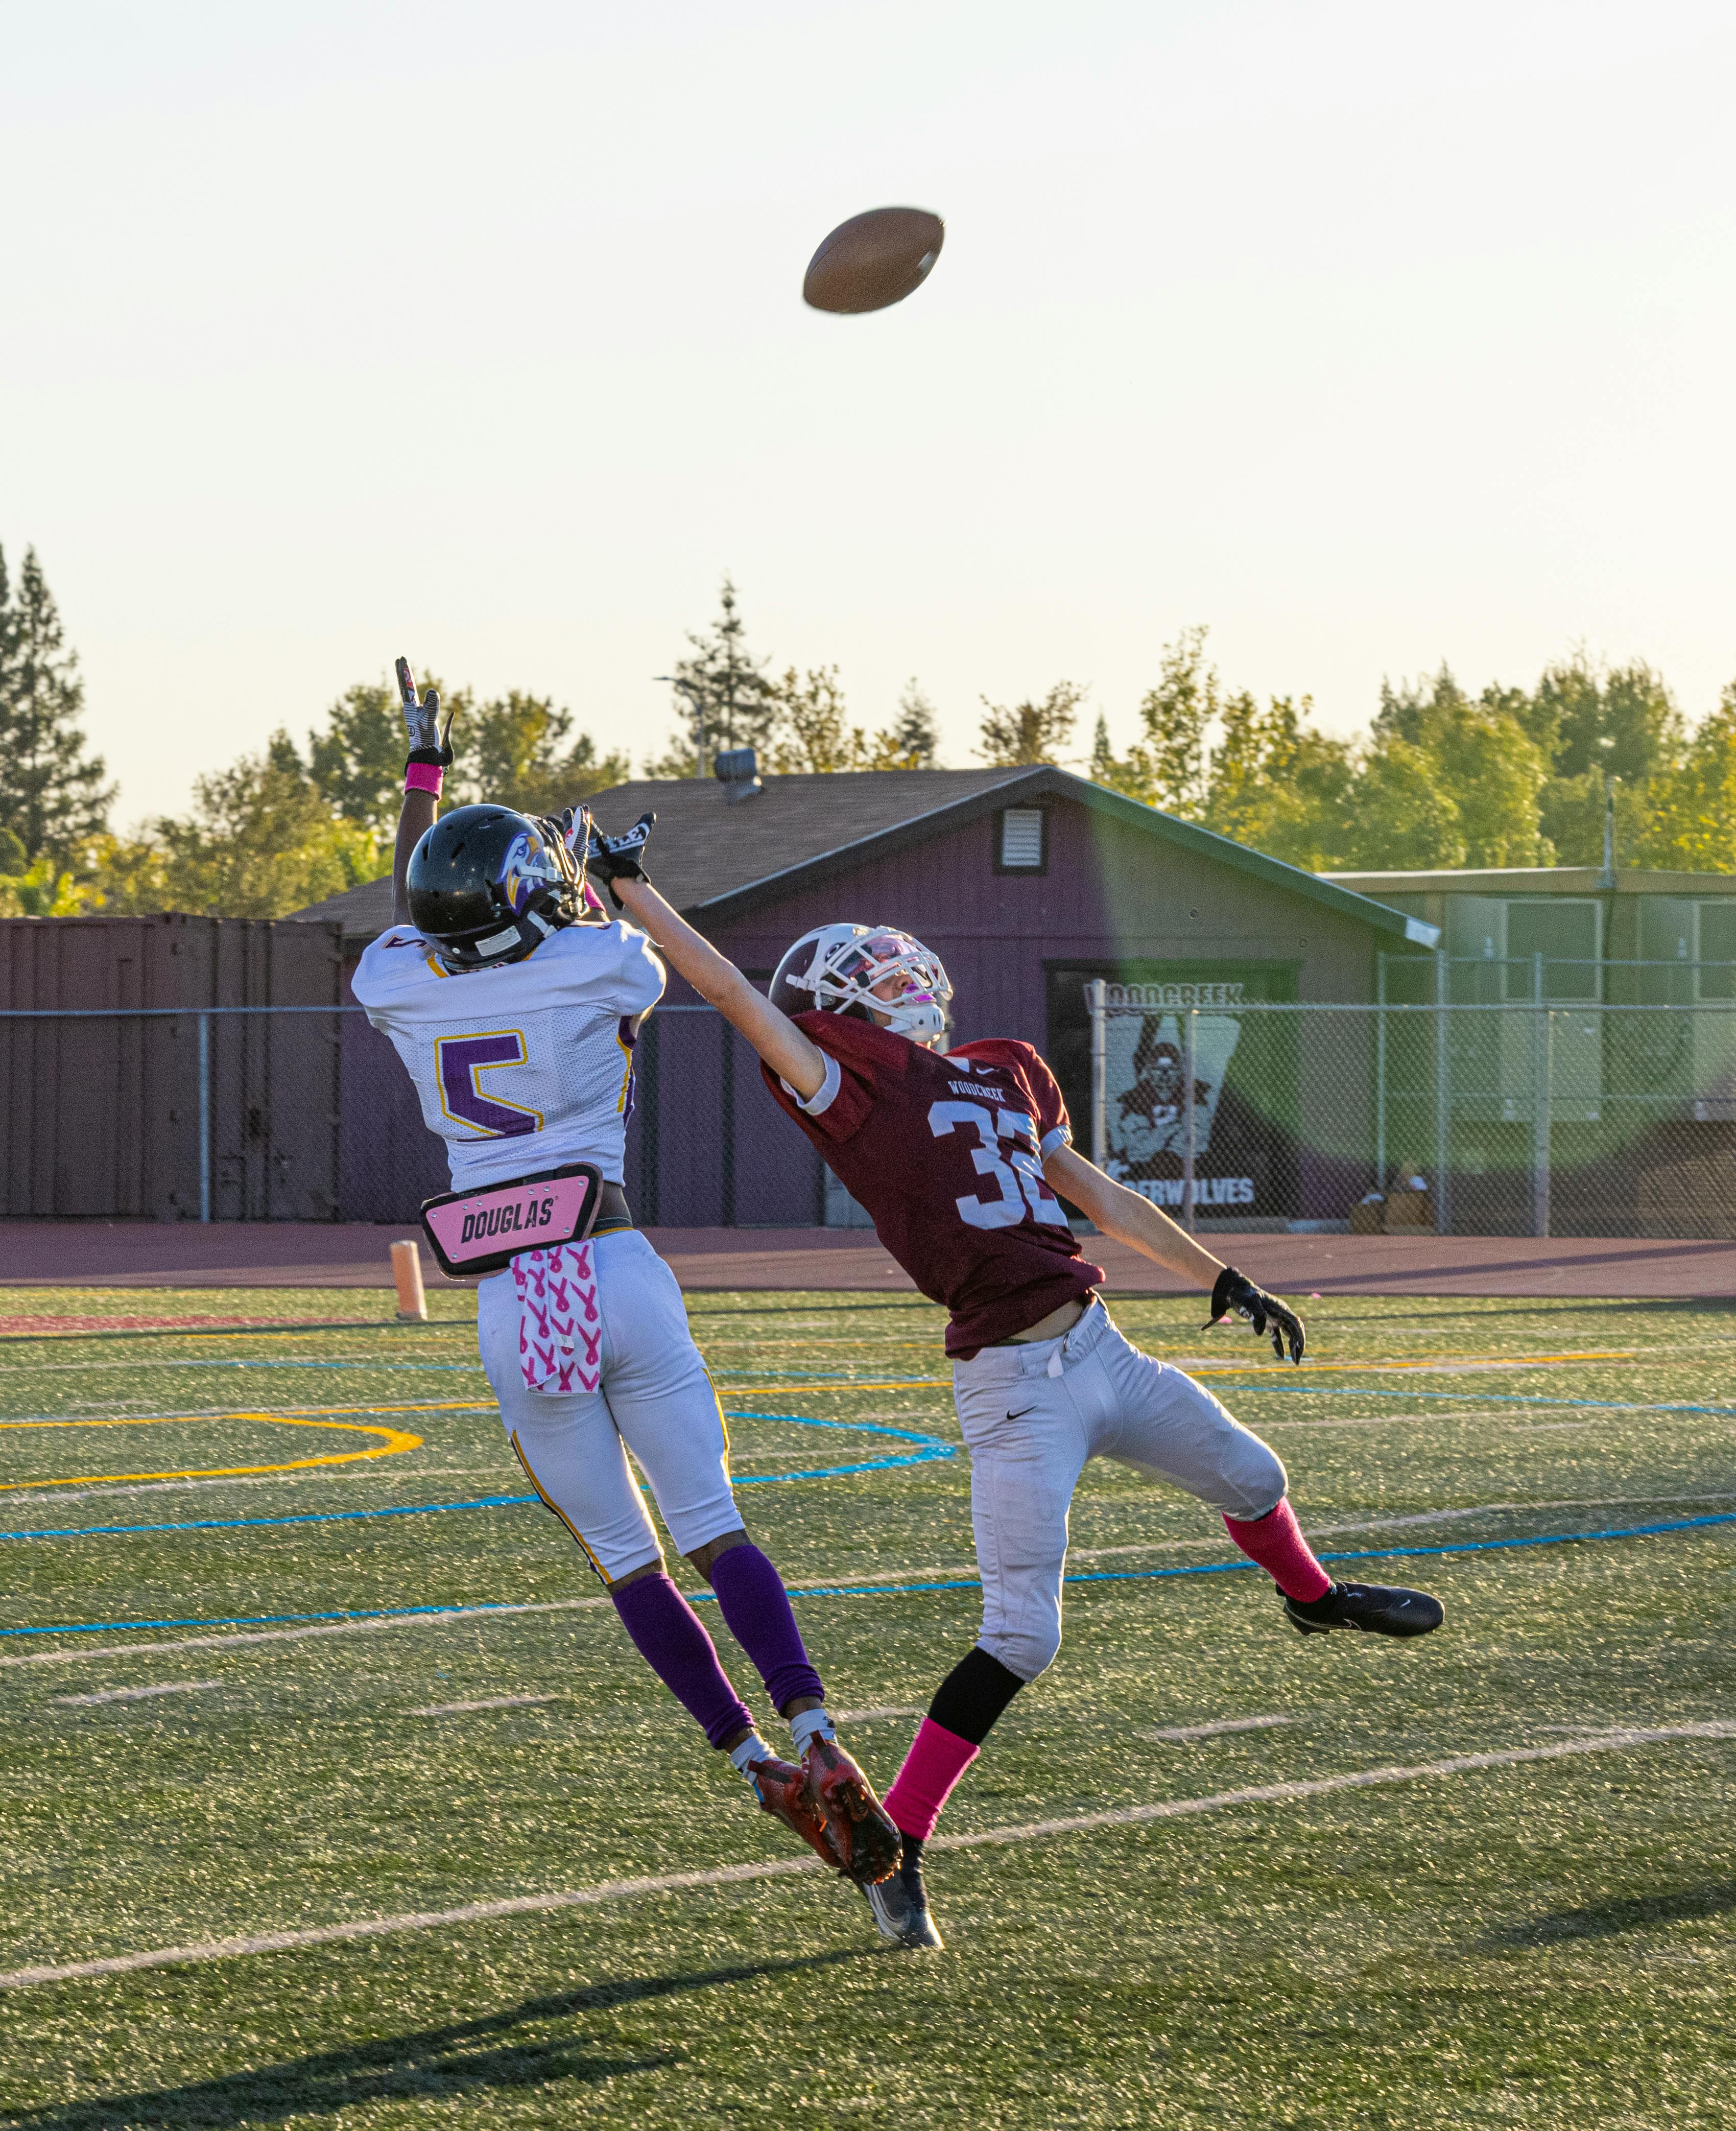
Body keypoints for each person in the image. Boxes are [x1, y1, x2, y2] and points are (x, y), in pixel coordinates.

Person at [587, 841, 1444, 1954]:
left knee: (1253, 1475)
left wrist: (1221, 1276)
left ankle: (1313, 1598)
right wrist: (635, 890)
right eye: (877, 973)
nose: (905, 980)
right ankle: (897, 1840)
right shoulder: (846, 1084)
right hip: (1010, 1387)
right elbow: (733, 993)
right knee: (1020, 1637)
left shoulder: (1002, 1068)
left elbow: (1099, 1193)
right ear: (845, 1004)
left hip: (1101, 1350)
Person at [349, 673, 899, 1891]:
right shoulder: (606, 962)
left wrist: (422, 781)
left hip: (510, 1301)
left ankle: (750, 1756)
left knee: (627, 1560)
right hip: (615, 1265)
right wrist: (599, 874)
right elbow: (581, 922)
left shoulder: (394, 982)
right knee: (714, 1529)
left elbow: (413, 911)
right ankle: (811, 1722)